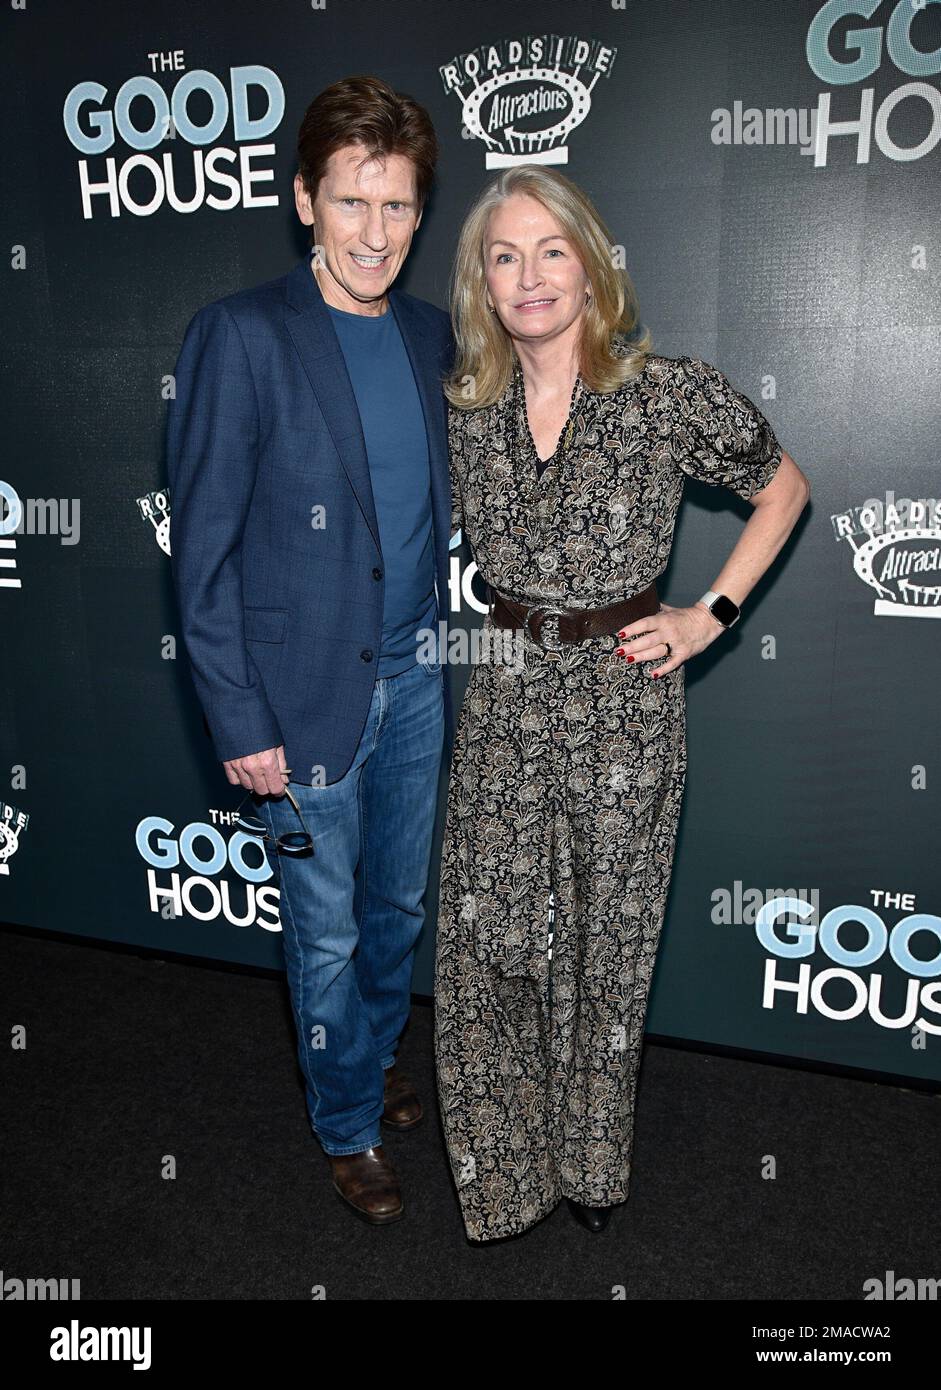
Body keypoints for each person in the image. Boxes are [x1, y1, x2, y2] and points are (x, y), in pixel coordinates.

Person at [434, 164, 810, 1242]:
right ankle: (504, 1177)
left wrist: (710, 614)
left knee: (606, 941)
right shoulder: (467, 406)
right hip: (504, 693)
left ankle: (590, 1169)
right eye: (503, 257)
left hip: (622, 701)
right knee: (490, 939)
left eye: (550, 250)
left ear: (591, 270)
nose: (529, 275)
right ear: (483, 284)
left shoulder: (662, 391)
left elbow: (782, 486)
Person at [166, 76, 455, 1226]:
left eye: (395, 206)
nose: (374, 232)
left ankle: (371, 1063)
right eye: (350, 203)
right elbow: (203, 557)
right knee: (324, 931)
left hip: (418, 682)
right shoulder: (239, 334)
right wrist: (239, 723)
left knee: (394, 908)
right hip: (299, 700)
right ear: (303, 201)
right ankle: (342, 1125)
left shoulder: (434, 334)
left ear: (418, 212)